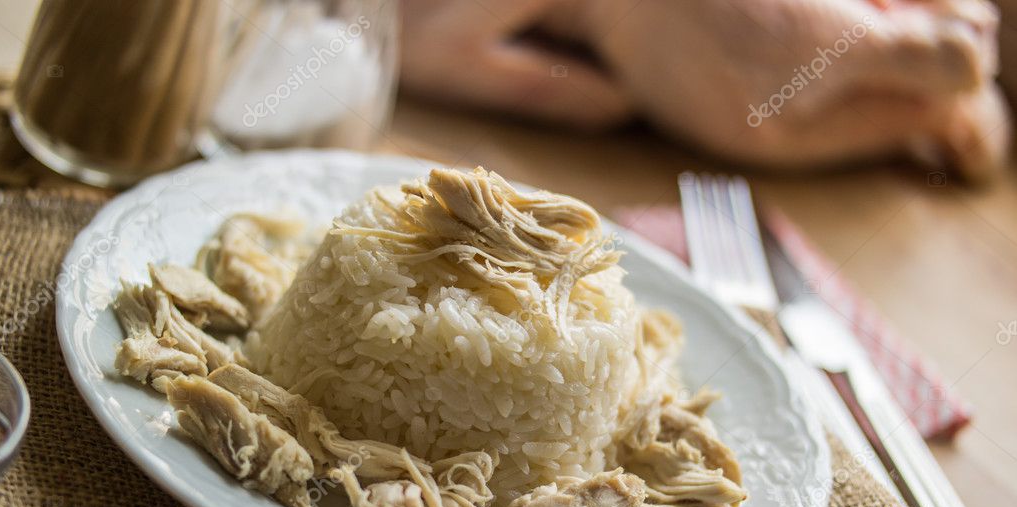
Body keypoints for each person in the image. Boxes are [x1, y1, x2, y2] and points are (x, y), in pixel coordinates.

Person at [400, 0, 1011, 180]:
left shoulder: (417, 37)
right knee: (948, 115)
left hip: (741, 105)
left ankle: (924, 72)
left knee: (939, 110)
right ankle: (925, 71)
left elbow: (599, 105)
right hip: (746, 107)